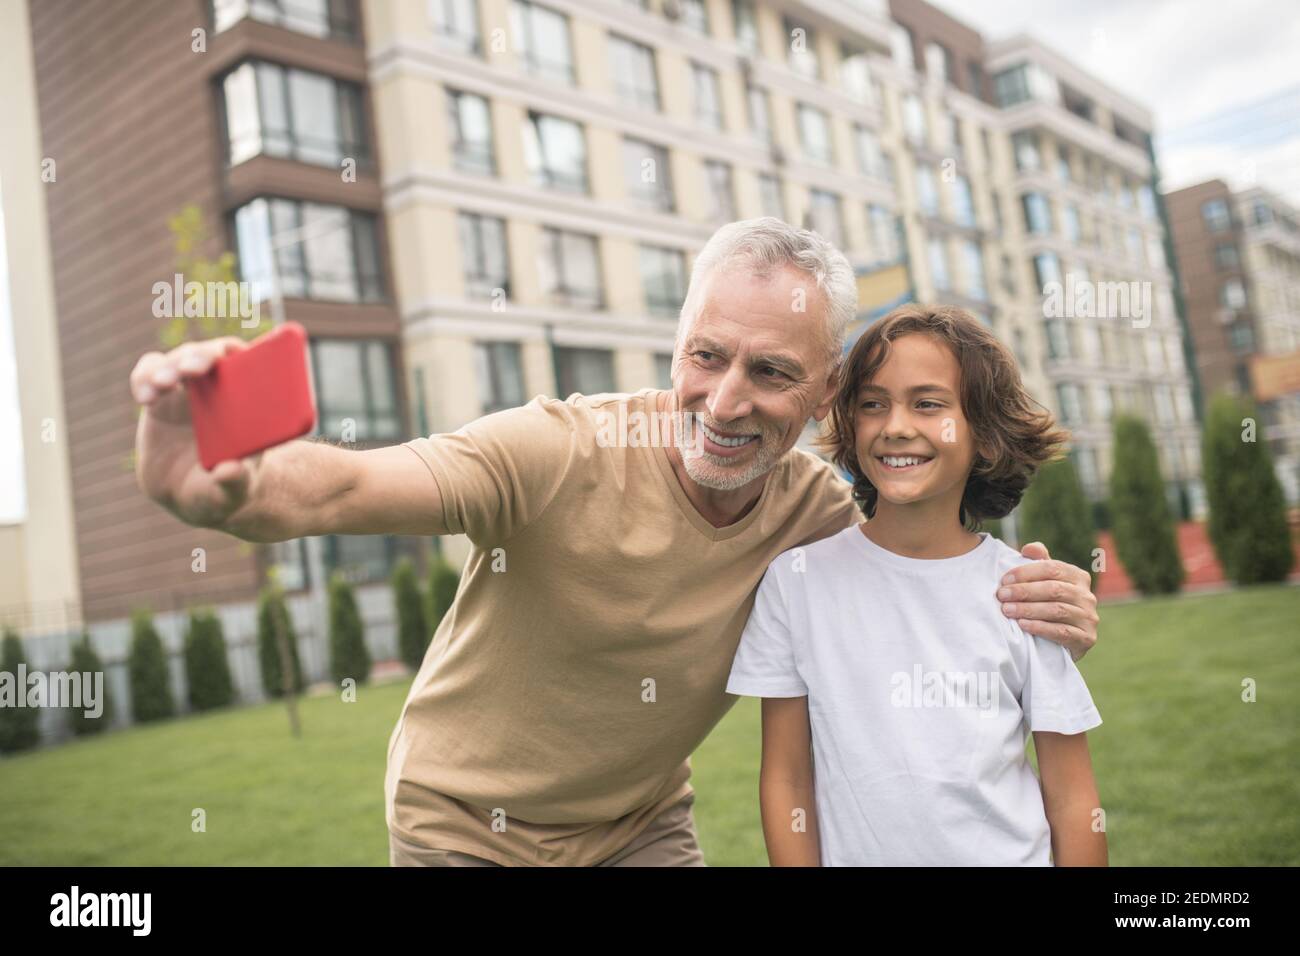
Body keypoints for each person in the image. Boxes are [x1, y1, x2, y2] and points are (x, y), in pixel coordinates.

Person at [130, 219, 1101, 867]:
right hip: (465, 823)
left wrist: (1044, 590)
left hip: (639, 827)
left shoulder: (817, 518)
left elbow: (924, 562)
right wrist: (231, 489)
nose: (724, 401)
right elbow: (344, 482)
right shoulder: (559, 449)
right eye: (704, 355)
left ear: (825, 390)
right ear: (677, 339)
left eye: (768, 371)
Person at [726, 304, 1106, 866]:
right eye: (873, 404)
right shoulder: (796, 584)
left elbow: (1073, 799)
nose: (896, 426)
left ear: (985, 434)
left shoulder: (1028, 593)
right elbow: (786, 780)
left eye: (928, 404)